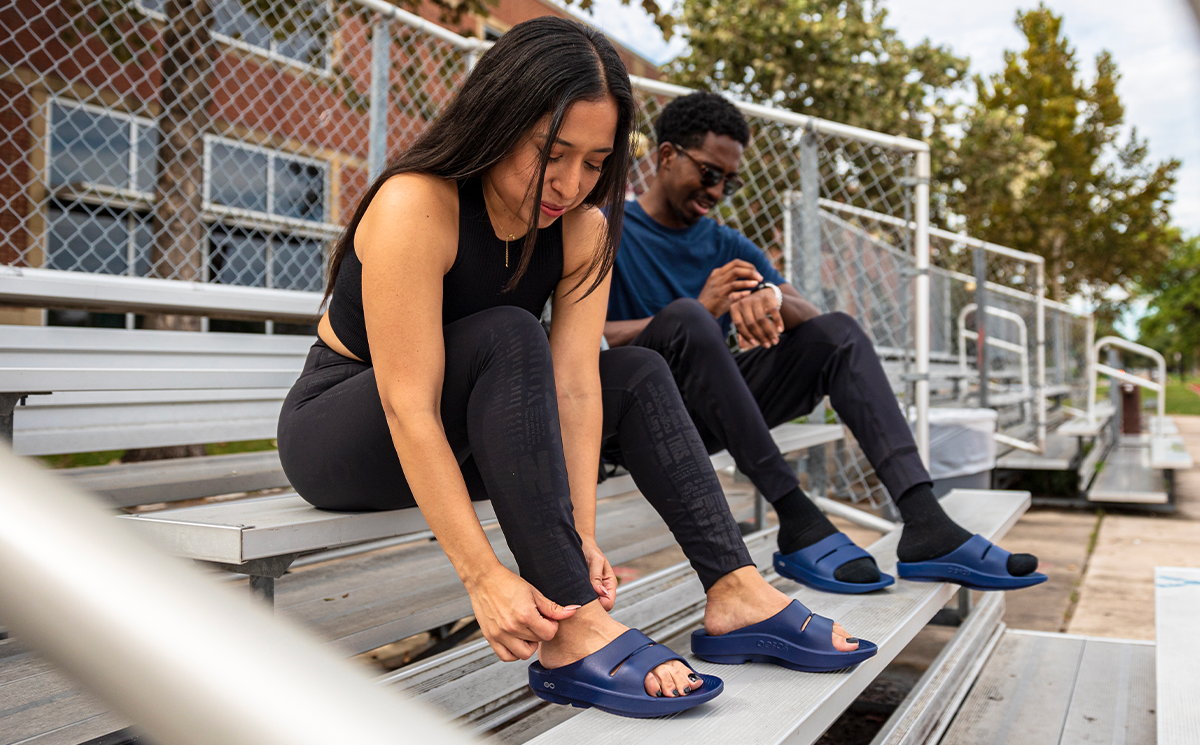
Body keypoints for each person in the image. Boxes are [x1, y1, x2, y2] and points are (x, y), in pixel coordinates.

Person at [277, 18, 875, 720]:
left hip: (466, 429)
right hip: (348, 430)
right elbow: (410, 405)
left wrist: (579, 534)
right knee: (508, 332)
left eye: (595, 161)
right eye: (551, 152)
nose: (570, 182)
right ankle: (573, 634)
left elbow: (575, 385)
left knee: (639, 371)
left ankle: (736, 589)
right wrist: (485, 576)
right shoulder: (418, 203)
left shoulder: (583, 227)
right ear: (498, 120)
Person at [605, 91, 1047, 595]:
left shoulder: (728, 246)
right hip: (635, 417)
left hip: (712, 410)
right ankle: (797, 517)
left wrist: (770, 297)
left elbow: (816, 322)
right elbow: (582, 341)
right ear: (666, 156)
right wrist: (701, 312)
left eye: (731, 180)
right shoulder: (608, 227)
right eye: (710, 173)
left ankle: (926, 523)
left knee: (837, 333)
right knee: (686, 316)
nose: (719, 191)